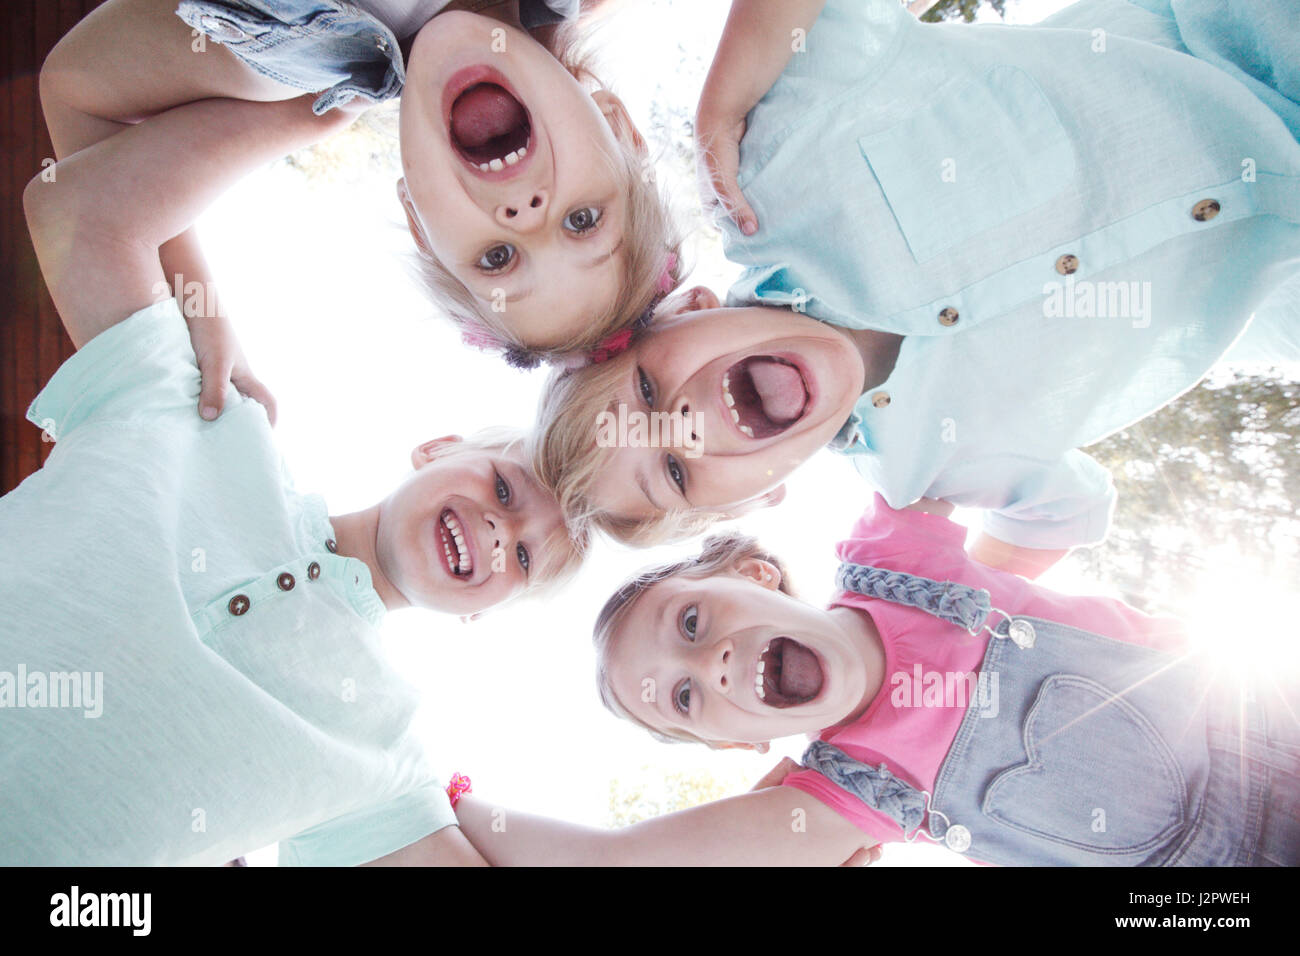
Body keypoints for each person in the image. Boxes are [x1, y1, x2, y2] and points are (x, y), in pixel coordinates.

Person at [6, 94, 585, 865]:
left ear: (485, 614)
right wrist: (331, 103)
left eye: (521, 558)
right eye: (505, 491)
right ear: (437, 447)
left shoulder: (382, 763)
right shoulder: (208, 411)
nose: (497, 529)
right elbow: (75, 194)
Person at [528, 0, 1300, 573]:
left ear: (689, 310)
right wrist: (944, 615)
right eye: (674, 470)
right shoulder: (926, 469)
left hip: (1246, 37)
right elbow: (1062, 515)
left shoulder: (778, 165)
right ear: (753, 500)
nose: (690, 428)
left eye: (653, 395)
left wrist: (724, 100)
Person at [460, 496, 1296, 866]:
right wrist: (432, 806)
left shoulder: (890, 557)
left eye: (690, 623)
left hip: (1260, 711)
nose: (707, 664)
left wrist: (1042, 514)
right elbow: (614, 866)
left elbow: (940, 395)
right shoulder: (846, 795)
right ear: (741, 744)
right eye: (684, 699)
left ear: (754, 572)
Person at [38, 0, 684, 412]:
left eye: (497, 258)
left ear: (419, 224)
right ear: (618, 127)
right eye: (582, 221)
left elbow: (78, 92)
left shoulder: (274, 63)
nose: (528, 214)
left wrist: (190, 286)